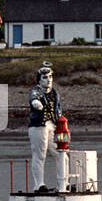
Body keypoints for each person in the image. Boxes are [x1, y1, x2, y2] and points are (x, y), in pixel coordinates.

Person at [27, 62, 66, 192]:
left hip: (52, 125)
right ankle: (39, 184)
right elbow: (34, 99)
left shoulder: (55, 93)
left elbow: (58, 107)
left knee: (60, 154)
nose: (48, 80)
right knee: (40, 154)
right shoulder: (36, 91)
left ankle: (63, 183)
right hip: (38, 125)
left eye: (50, 77)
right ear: (39, 79)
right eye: (45, 77)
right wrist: (36, 103)